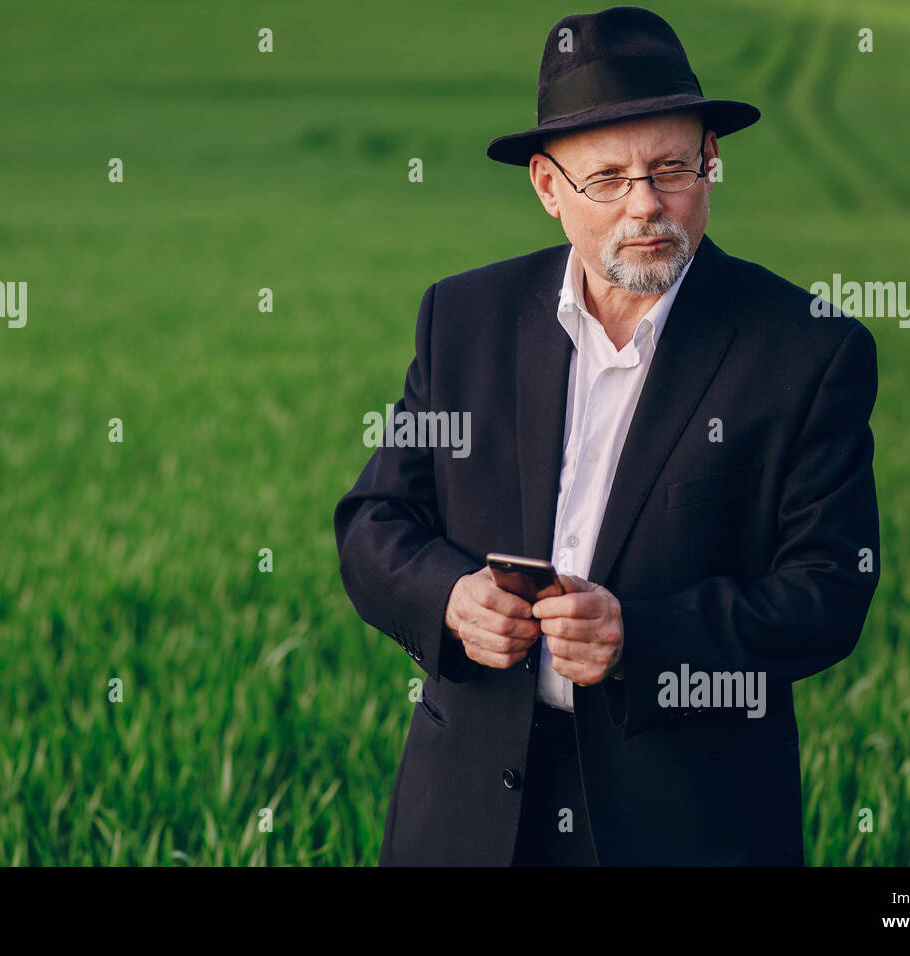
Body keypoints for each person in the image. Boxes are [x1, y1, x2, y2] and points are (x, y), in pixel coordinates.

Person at [333, 5, 880, 865]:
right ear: (549, 188)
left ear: (710, 163)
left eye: (672, 170)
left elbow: (827, 594)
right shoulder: (464, 320)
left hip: (690, 821)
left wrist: (640, 638)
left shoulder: (809, 350)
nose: (647, 208)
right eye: (608, 180)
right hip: (466, 810)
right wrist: (448, 598)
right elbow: (373, 524)